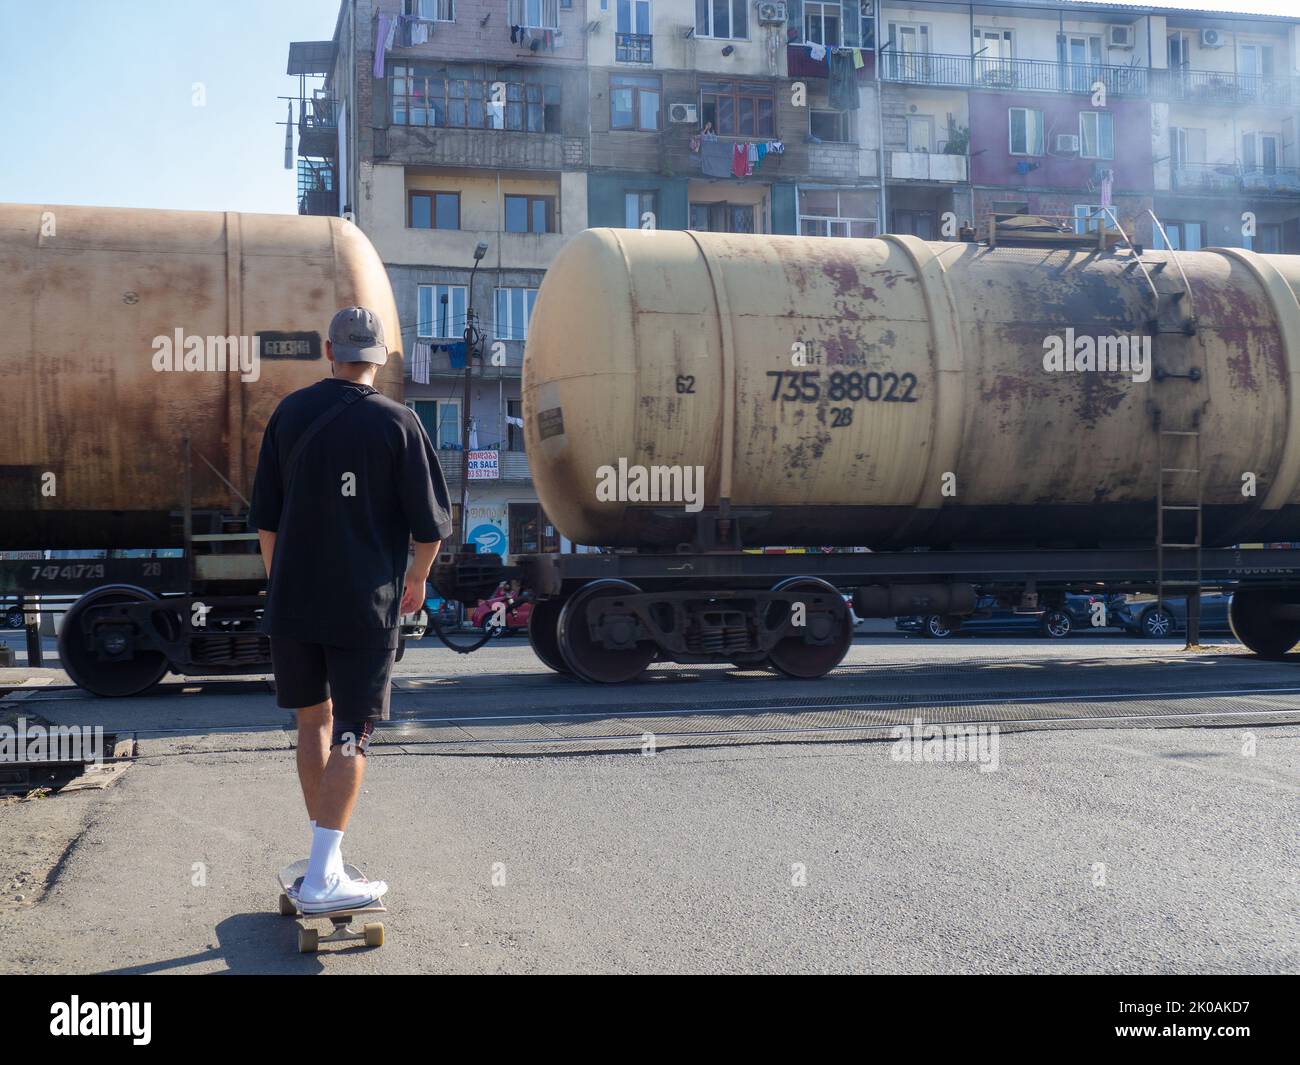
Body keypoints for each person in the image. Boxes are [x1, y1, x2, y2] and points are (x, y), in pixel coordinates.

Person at [249, 306, 452, 913]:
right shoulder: (399, 422)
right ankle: (322, 876)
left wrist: (284, 580)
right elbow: (430, 527)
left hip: (294, 601)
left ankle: (322, 862)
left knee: (312, 723)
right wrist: (416, 579)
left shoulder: (288, 414)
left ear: (331, 351)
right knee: (352, 736)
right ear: (383, 355)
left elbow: (266, 522)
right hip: (364, 605)